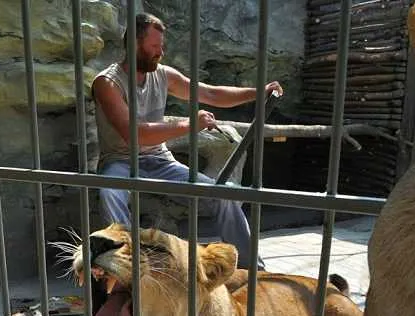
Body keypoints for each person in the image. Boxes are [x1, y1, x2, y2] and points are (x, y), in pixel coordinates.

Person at [92, 13, 282, 270]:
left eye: (162, 46)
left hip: (159, 160)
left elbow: (210, 93)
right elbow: (135, 134)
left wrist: (258, 93)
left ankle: (252, 270)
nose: (161, 53)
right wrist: (190, 124)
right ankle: (125, 267)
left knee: (224, 194)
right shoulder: (107, 83)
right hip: (120, 161)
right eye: (154, 46)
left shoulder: (163, 75)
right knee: (110, 193)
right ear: (134, 45)